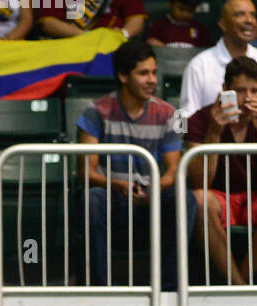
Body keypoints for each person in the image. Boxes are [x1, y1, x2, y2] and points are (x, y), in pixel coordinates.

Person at [76, 38, 195, 290]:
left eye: (154, 72)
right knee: (92, 199)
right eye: (143, 73)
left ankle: (170, 290)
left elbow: (174, 170)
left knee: (184, 198)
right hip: (114, 195)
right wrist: (119, 185)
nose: (152, 80)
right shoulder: (95, 111)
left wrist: (155, 189)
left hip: (153, 197)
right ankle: (99, 291)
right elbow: (86, 172)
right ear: (123, 76)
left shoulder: (171, 114)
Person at [186, 56, 257, 285]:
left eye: (255, 91)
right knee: (199, 201)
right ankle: (239, 285)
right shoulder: (200, 120)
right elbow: (198, 182)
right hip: (219, 196)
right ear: (225, 89)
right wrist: (214, 132)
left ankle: (239, 282)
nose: (248, 98)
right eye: (241, 91)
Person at [179, 0, 257, 119]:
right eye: (240, 14)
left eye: (253, 15)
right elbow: (185, 116)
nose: (249, 20)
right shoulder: (199, 66)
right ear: (223, 24)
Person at [38, 0, 146, 39]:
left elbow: (137, 18)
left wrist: (123, 34)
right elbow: (48, 23)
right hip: (67, 45)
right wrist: (90, 37)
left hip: (110, 49)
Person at [148, 0, 213, 49]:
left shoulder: (199, 28)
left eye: (190, 11)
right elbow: (151, 42)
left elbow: (207, 50)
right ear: (171, 4)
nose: (185, 14)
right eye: (181, 9)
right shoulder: (159, 25)